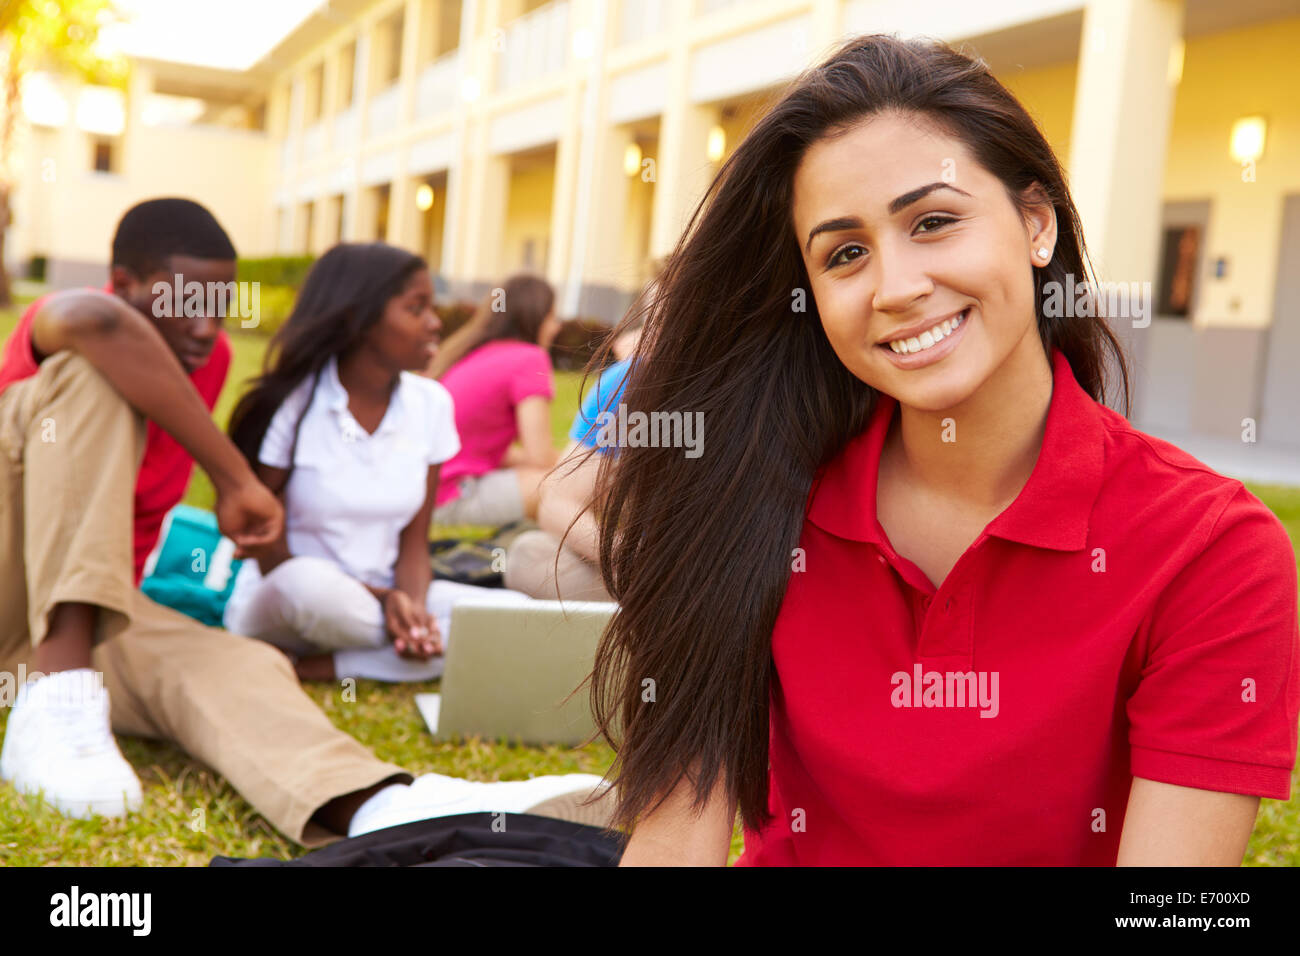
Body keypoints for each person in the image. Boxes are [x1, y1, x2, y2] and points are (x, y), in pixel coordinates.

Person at [585, 36, 1300, 866]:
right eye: (844, 253)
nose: (896, 288)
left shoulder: (1213, 547)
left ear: (1036, 225)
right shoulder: (750, 494)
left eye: (934, 222)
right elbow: (677, 835)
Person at [0, 199, 608, 839]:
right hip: (16, 575)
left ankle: (385, 808)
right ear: (121, 284)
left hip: (81, 616)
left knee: (238, 663)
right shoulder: (83, 324)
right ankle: (62, 687)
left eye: (221, 304)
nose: (208, 328)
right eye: (184, 300)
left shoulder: (208, 362)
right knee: (92, 374)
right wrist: (234, 480)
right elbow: (97, 324)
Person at [225, 242, 530, 684]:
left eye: (433, 307)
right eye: (415, 308)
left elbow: (414, 543)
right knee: (308, 586)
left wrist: (412, 604)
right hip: (292, 599)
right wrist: (386, 601)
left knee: (516, 617)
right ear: (359, 319)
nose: (434, 323)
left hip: (388, 599)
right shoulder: (290, 406)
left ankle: (324, 666)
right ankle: (420, 642)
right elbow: (270, 554)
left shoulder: (430, 404)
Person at [505, 305, 645, 603]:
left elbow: (540, 456)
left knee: (528, 551)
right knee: (529, 553)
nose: (640, 334)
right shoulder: (634, 377)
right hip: (665, 576)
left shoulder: (525, 359)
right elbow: (553, 492)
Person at [430, 274, 561, 526]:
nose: (557, 326)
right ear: (534, 316)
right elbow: (540, 457)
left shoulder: (469, 353)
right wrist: (583, 465)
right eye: (552, 317)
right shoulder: (530, 358)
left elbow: (496, 455)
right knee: (579, 487)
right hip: (453, 499)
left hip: (428, 496)